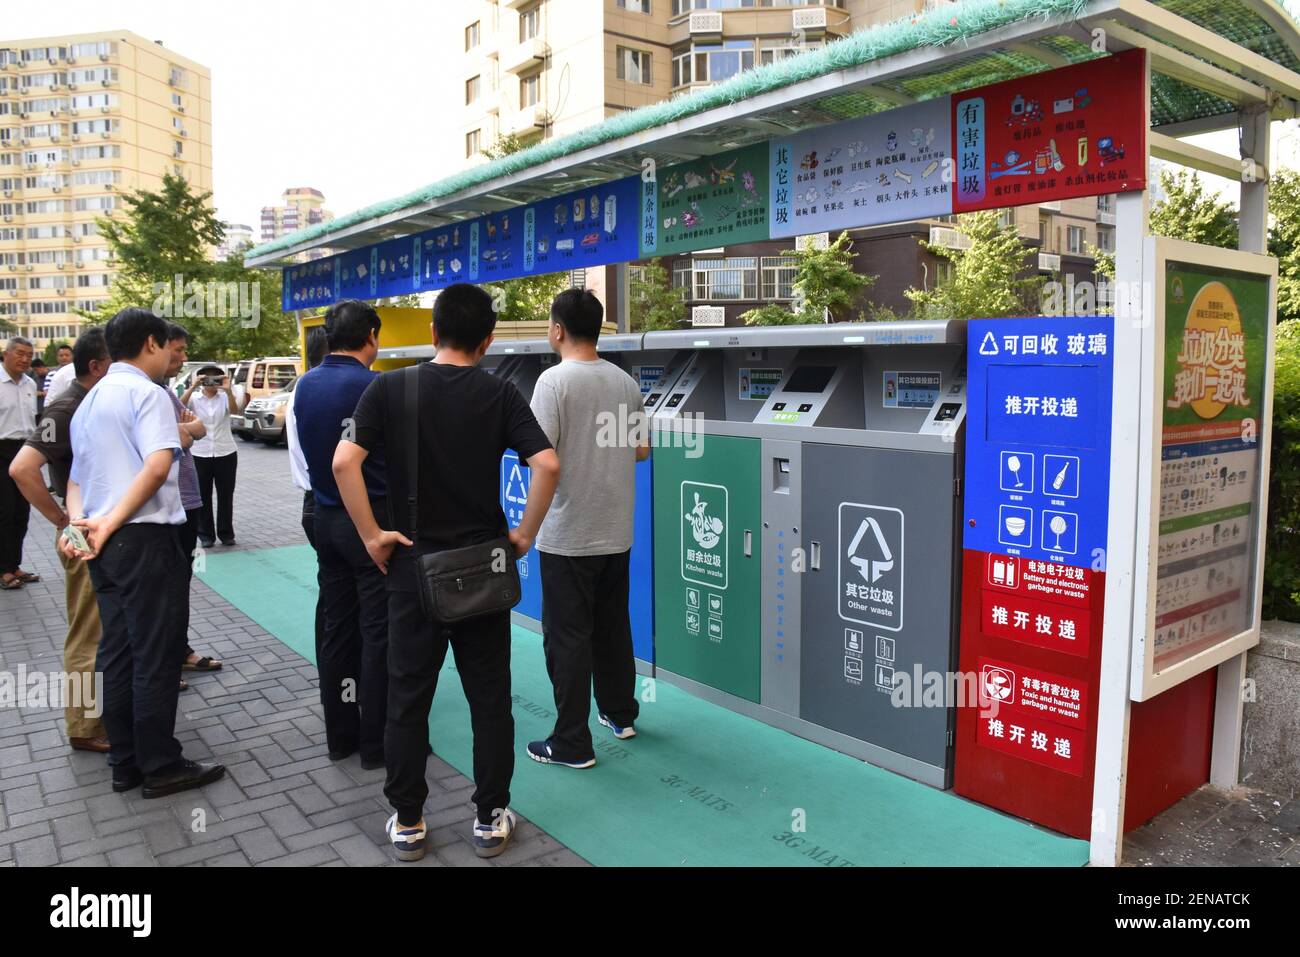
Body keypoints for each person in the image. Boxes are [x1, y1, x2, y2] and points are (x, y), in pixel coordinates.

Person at [333, 283, 559, 862]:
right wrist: (524, 533)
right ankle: (489, 818)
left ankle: (408, 822)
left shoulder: (389, 389)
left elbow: (343, 462)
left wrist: (372, 536)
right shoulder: (502, 395)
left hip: (412, 568)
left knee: (408, 697)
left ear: (433, 333)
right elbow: (548, 463)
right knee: (489, 700)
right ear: (486, 342)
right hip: (483, 570)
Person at [60, 308, 224, 798]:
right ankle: (161, 765)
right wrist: (110, 520)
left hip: (103, 543)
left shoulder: (89, 400)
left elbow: (75, 479)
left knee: (117, 652)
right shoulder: (147, 395)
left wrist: (82, 524)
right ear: (152, 342)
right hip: (143, 539)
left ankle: (125, 761)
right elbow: (156, 467)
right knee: (155, 655)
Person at [526, 289, 649, 770]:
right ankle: (620, 714)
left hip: (568, 533)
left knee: (567, 637)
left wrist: (526, 527)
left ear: (558, 329)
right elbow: (641, 451)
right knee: (612, 627)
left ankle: (571, 743)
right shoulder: (624, 383)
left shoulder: (552, 383)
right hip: (615, 530)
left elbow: (543, 457)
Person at [294, 303, 389, 770]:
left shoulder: (306, 384)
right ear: (371, 336)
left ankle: (340, 737)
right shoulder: (374, 386)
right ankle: (376, 744)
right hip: (366, 525)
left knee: (336, 629)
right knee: (376, 632)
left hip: (324, 521)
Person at [8, 329, 112, 751]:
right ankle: (85, 727)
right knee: (87, 634)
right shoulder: (67, 408)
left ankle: (97, 718)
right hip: (82, 532)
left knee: (100, 630)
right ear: (96, 366)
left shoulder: (88, 403)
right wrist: (62, 519)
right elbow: (21, 469)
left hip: (96, 530)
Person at [160, 324, 222, 680]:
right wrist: (189, 430)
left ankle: (177, 650)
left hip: (186, 500)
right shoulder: (146, 393)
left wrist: (189, 429)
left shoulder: (165, 391)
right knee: (165, 588)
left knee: (179, 583)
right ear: (154, 346)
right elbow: (183, 433)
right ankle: (163, 664)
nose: (183, 358)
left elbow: (192, 428)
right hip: (166, 507)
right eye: (179, 350)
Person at [287, 327, 330, 690]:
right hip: (328, 503)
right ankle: (349, 682)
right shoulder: (316, 389)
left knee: (332, 596)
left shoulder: (303, 388)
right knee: (344, 601)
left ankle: (336, 681)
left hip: (314, 504)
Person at [182, 364, 242, 547]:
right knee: (203, 495)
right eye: (206, 378)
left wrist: (228, 390)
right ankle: (206, 535)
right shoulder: (194, 398)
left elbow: (234, 411)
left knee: (226, 495)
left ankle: (226, 533)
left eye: (214, 378)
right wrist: (192, 386)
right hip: (201, 453)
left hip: (225, 451)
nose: (210, 382)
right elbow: (178, 406)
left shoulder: (224, 397)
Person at [0, 336, 38, 590]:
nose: (25, 359)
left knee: (22, 513)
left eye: (28, 354)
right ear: (6, 354)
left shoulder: (30, 384)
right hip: (1, 450)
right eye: (20, 354)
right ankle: (4, 570)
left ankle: (15, 565)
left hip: (24, 450)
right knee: (4, 512)